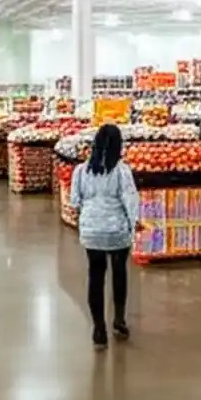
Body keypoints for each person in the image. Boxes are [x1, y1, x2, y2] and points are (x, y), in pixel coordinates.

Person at [69, 124, 140, 350]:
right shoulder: (121, 171)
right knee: (119, 273)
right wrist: (134, 222)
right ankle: (118, 320)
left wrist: (88, 216)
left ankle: (99, 329)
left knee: (95, 275)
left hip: (92, 231)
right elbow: (130, 200)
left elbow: (75, 201)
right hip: (116, 229)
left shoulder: (81, 171)